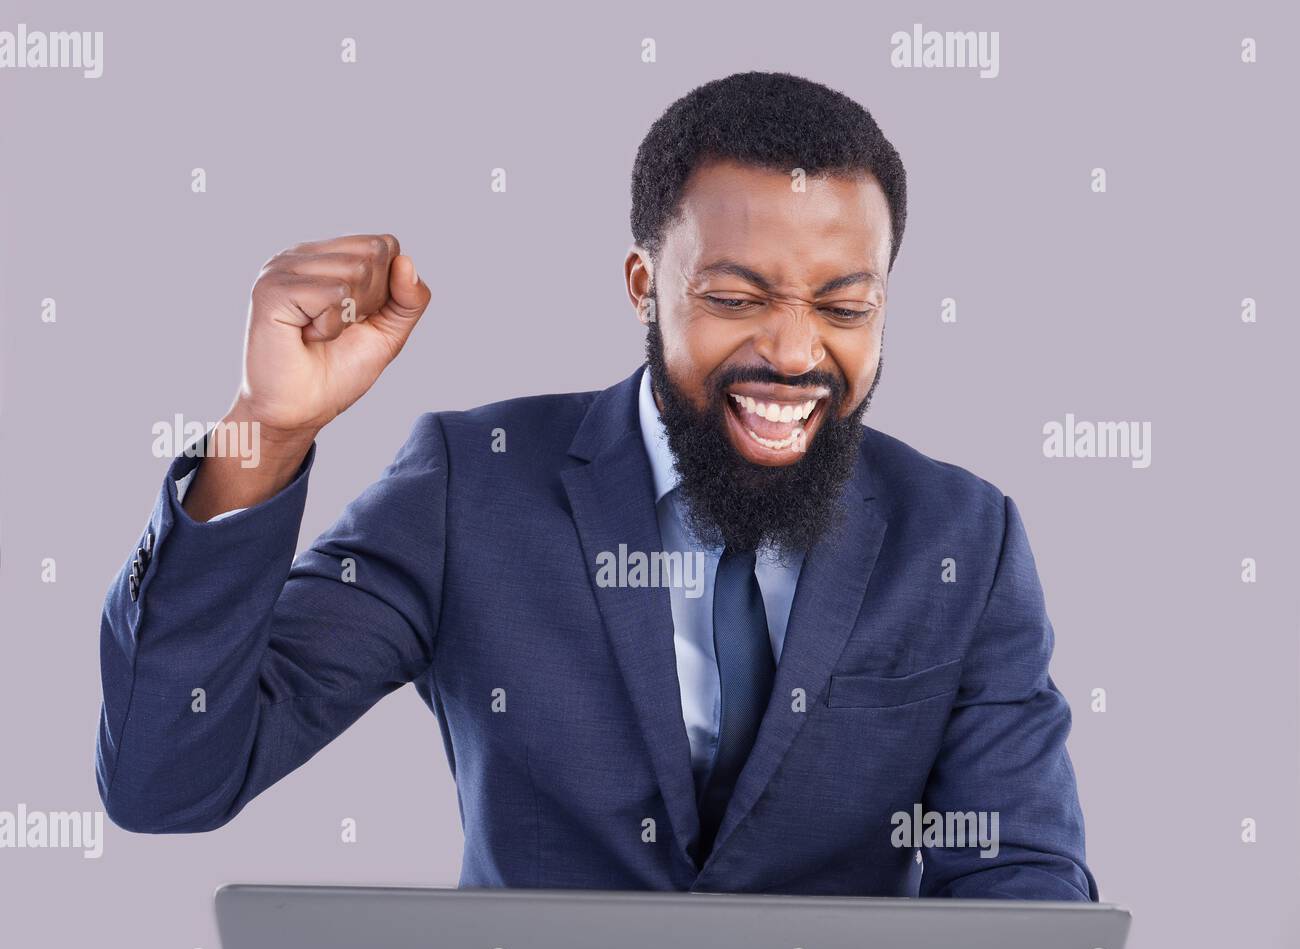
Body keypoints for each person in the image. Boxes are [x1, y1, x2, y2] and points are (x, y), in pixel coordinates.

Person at [97, 71, 1097, 899]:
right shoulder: (468, 488)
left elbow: (1020, 881)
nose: (795, 351)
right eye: (734, 297)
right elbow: (168, 777)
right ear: (642, 285)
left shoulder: (965, 536)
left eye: (844, 305)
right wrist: (266, 431)